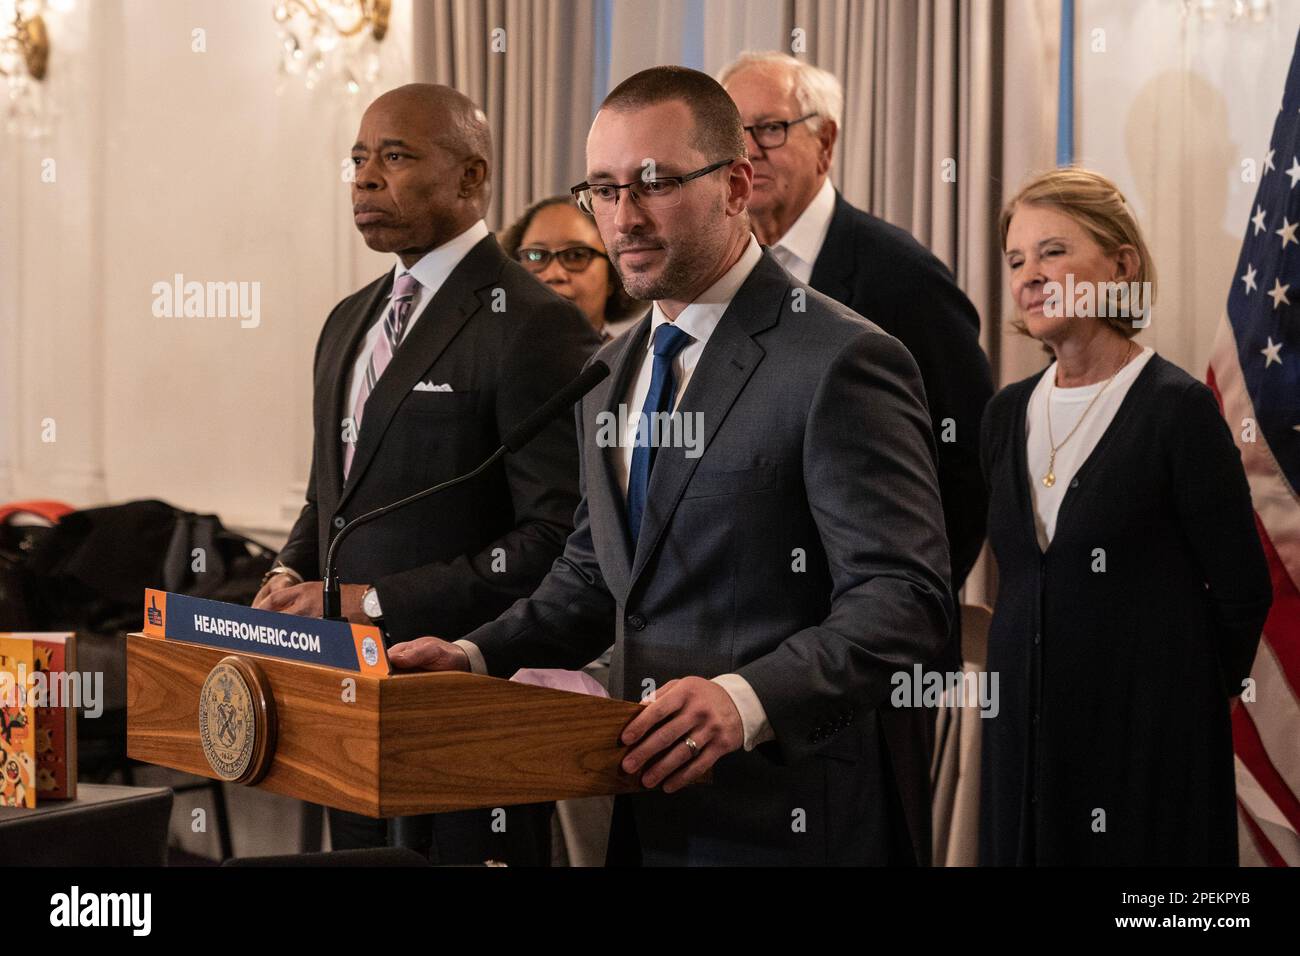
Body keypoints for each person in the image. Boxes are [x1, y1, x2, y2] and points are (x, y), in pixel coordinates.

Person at [387, 65, 952, 866]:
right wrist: (475, 655)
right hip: (646, 807)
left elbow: (905, 600)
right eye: (605, 190)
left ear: (735, 185)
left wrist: (744, 699)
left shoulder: (842, 358)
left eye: (654, 183)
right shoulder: (610, 371)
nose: (625, 217)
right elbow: (592, 577)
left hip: (796, 816)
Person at [251, 83, 599, 862]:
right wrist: (286, 570)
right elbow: (331, 496)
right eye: (358, 160)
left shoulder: (535, 324)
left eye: (396, 157)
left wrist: (367, 601)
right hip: (343, 704)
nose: (366, 179)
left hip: (461, 713)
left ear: (472, 177)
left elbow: (553, 538)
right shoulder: (348, 320)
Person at [979, 166, 1273, 864]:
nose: (1029, 274)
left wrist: (1178, 698)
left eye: (1053, 251)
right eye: (1016, 258)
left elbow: (1242, 592)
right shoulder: (1001, 414)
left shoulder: (1177, 410)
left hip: (1148, 755)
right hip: (1024, 747)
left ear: (1121, 263)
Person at [719, 52, 992, 653]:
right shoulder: (721, 281)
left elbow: (968, 462)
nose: (749, 151)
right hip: (742, 641)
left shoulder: (903, 278)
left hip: (868, 649)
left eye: (769, 128)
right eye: (732, 135)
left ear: (826, 141)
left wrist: (902, 610)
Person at [499, 195, 646, 340]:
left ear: (615, 274)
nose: (553, 274)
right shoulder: (487, 358)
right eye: (535, 256)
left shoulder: (631, 363)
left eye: (576, 255)